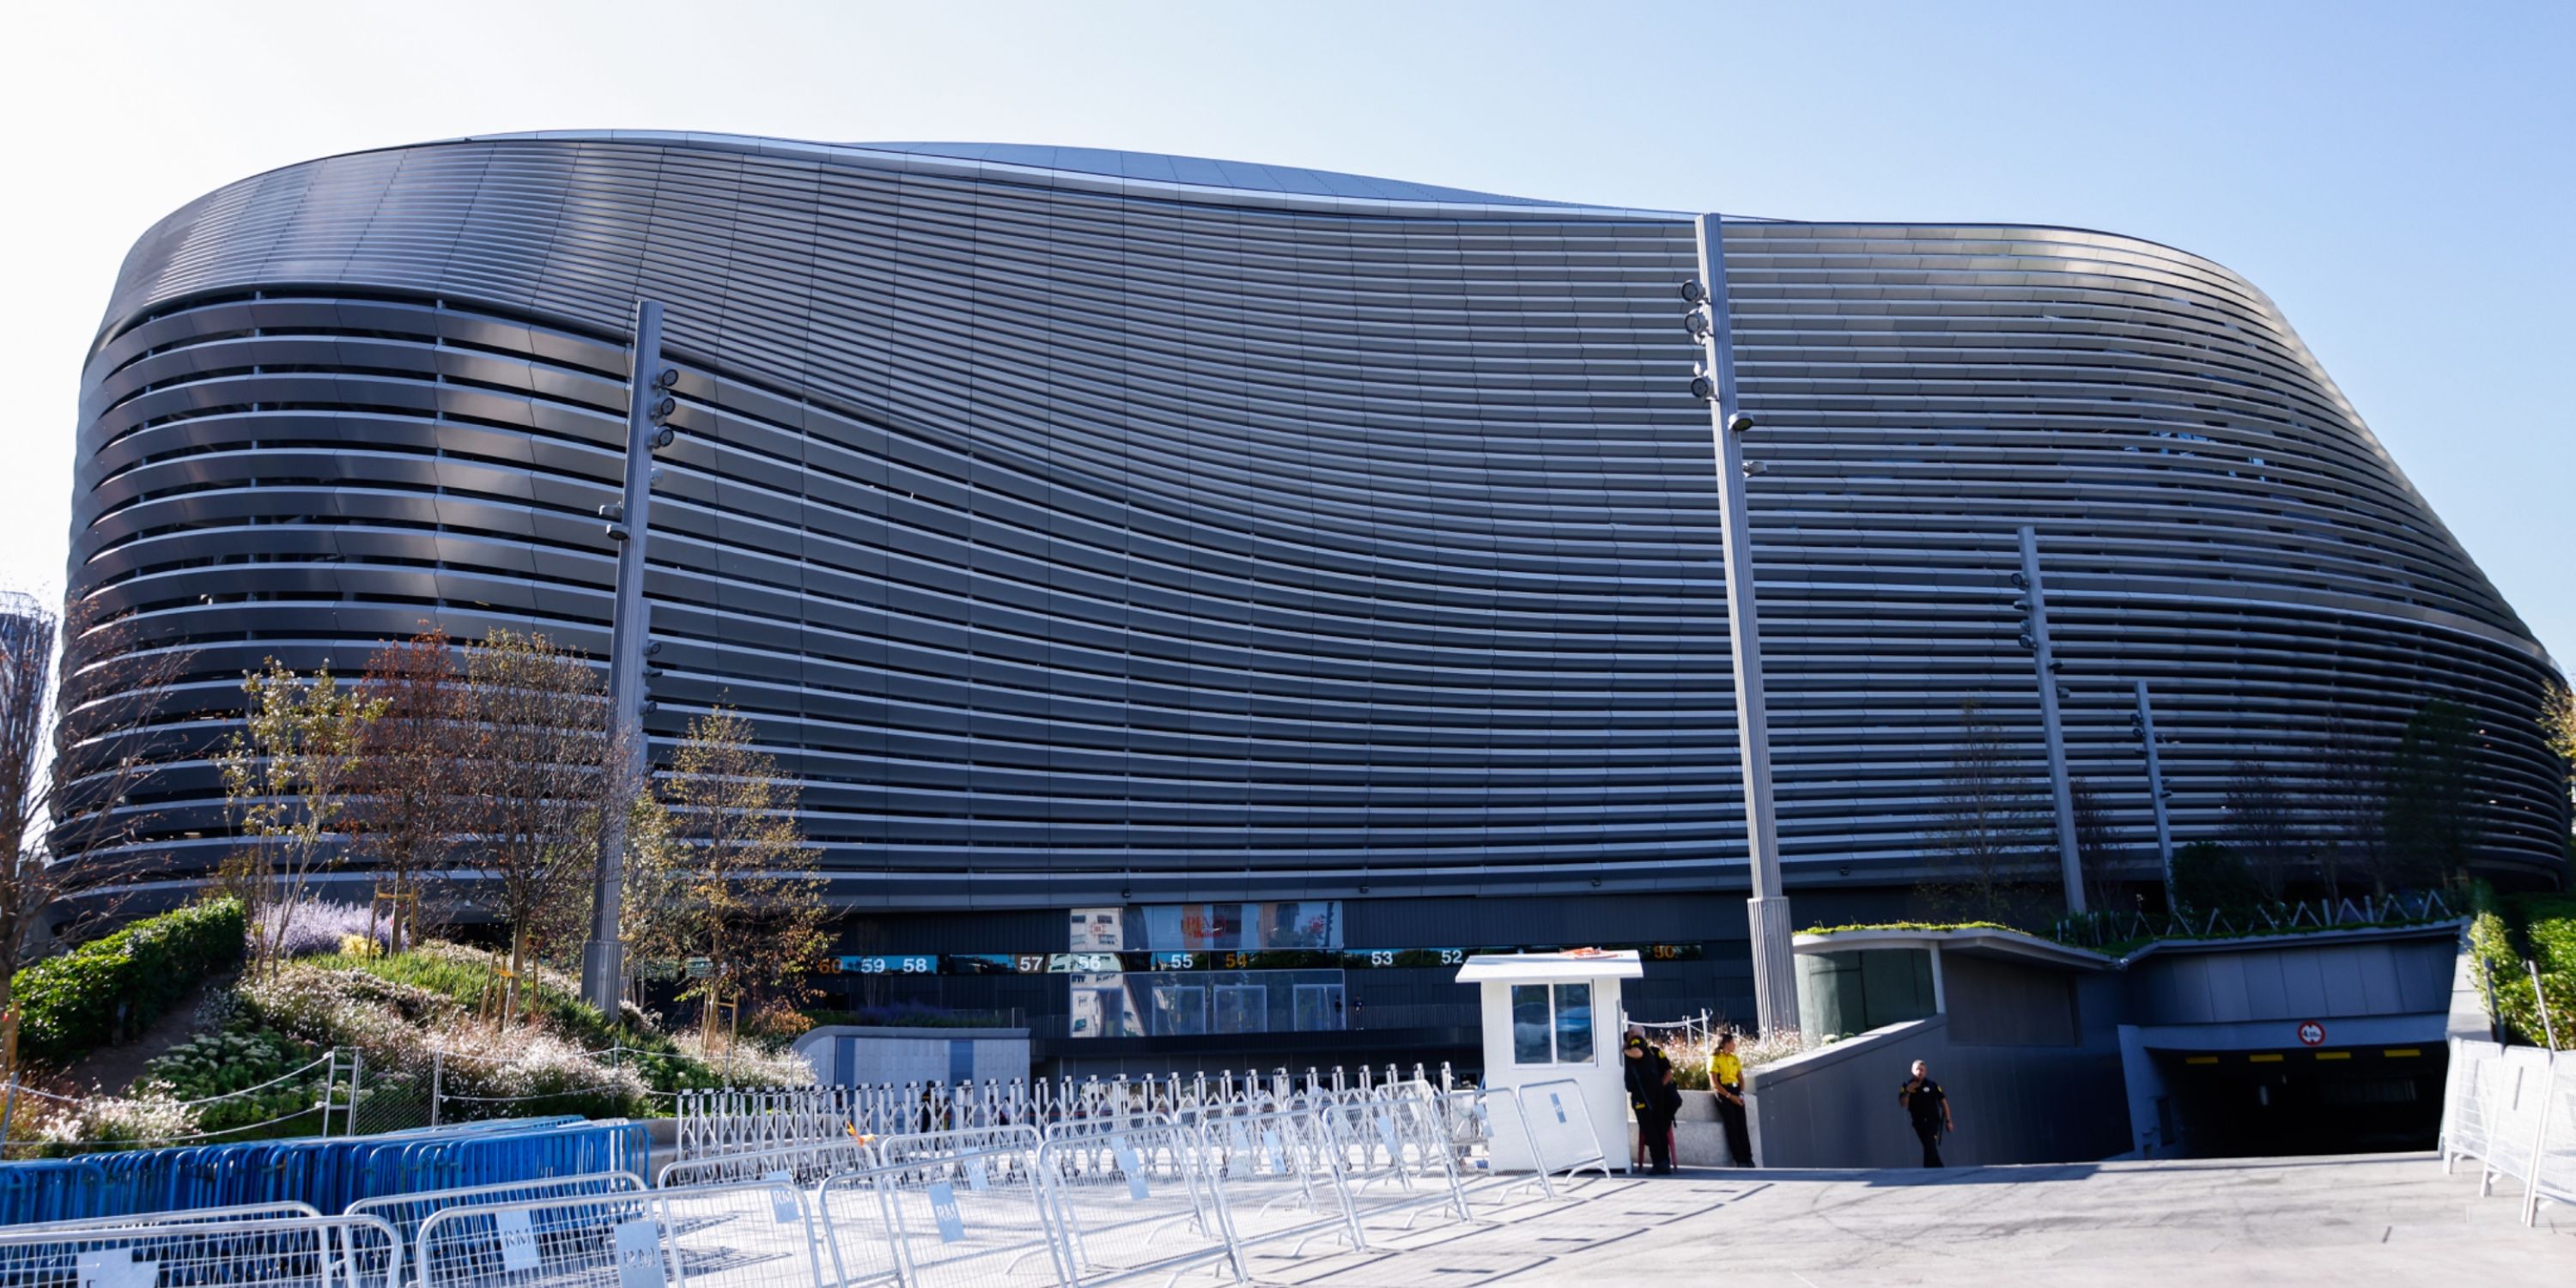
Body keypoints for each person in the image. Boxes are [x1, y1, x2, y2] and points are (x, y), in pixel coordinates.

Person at [1624, 1027, 1680, 1174]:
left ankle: (1659, 1163)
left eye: (1628, 1034)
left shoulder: (1637, 1042)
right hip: (1656, 1094)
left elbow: (1637, 1053)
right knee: (1658, 1127)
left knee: (1649, 1127)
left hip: (1643, 1095)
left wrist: (1623, 1050)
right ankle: (1664, 1162)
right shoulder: (1651, 1050)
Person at [1706, 1032, 1753, 1166]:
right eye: (1732, 1042)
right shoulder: (1714, 1059)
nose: (1734, 1045)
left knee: (1742, 1126)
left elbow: (1741, 1079)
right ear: (1725, 1043)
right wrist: (1729, 1096)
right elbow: (1715, 1083)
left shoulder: (1734, 1058)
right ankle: (1740, 1159)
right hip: (1724, 1093)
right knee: (1732, 1126)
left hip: (1736, 1091)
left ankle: (1748, 1158)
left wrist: (1741, 1094)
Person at [1898, 1058, 1953, 1167]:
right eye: (1917, 1069)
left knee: (1929, 1144)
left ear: (1925, 1072)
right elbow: (1903, 1103)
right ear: (1912, 1070)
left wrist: (1948, 1120)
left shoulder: (1932, 1085)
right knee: (1929, 1145)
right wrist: (1908, 1091)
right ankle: (1940, 1169)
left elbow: (1943, 1102)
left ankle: (1926, 1171)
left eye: (1922, 1070)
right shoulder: (1906, 1085)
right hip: (1918, 1122)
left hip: (1933, 1121)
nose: (1920, 1072)